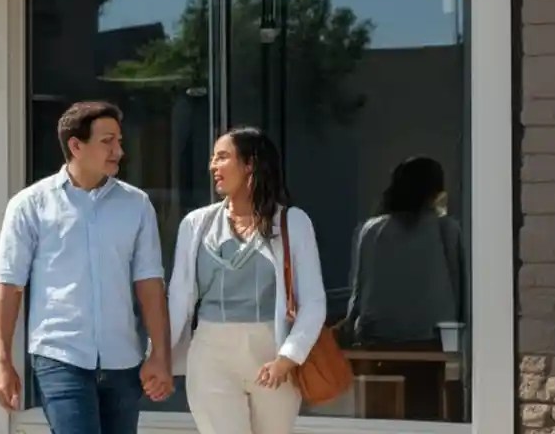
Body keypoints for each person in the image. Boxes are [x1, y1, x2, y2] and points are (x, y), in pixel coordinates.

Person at [0, 101, 173, 434]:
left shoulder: (136, 205)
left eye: (119, 141)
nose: (118, 150)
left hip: (123, 360)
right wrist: (2, 361)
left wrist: (160, 355)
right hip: (60, 357)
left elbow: (149, 283)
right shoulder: (30, 205)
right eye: (108, 141)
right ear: (76, 145)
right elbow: (9, 284)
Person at [167, 127, 326, 434]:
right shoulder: (197, 224)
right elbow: (179, 298)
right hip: (211, 351)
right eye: (213, 158)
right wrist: (157, 354)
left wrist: (288, 358)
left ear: (250, 163)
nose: (213, 166)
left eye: (222, 157)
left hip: (271, 349)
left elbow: (314, 301)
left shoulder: (292, 222)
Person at [344, 156, 465, 346]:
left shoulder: (371, 230)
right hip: (430, 341)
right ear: (435, 193)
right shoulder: (446, 230)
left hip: (376, 339)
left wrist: (349, 330)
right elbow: (458, 290)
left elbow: (358, 293)